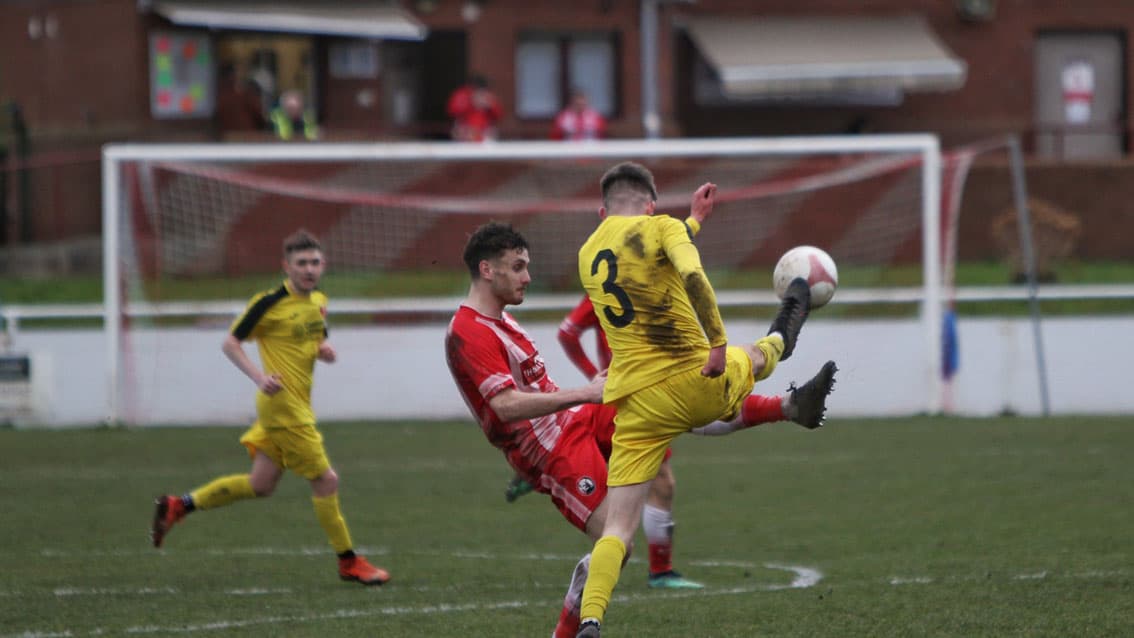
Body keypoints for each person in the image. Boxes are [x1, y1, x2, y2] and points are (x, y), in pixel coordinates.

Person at [446, 222, 836, 638]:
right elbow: (504, 407)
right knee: (619, 543)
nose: (527, 276)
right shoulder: (469, 330)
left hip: (573, 418)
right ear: (487, 270)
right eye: (518, 266)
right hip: (547, 449)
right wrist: (587, 392)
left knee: (669, 396)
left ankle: (789, 407)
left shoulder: (502, 321)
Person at [573, 162, 834, 637]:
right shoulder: (662, 227)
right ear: (652, 205)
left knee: (618, 528)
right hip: (692, 377)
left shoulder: (588, 252)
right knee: (755, 356)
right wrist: (715, 342)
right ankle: (792, 322)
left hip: (634, 404)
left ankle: (591, 616)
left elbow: (641, 254)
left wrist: (693, 222)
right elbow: (690, 272)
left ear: (601, 210)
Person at [150, 230, 389, 587]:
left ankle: (179, 505)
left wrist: (324, 350)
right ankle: (348, 562)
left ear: (323, 265)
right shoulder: (269, 302)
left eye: (314, 262)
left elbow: (316, 335)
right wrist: (259, 377)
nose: (309, 269)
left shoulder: (319, 300)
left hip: (294, 406)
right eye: (301, 263)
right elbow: (230, 342)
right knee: (326, 480)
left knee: (260, 484)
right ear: (286, 267)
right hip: (284, 408)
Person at [214, 63, 266, 138]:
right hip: (247, 138)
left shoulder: (218, 96)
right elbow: (259, 116)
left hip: (227, 139)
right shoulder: (243, 96)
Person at [446, 74, 502, 142]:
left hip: (484, 131)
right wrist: (471, 103)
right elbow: (452, 111)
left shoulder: (488, 96)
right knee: (460, 132)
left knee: (491, 134)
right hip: (465, 131)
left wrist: (490, 105)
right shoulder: (462, 94)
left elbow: (498, 115)